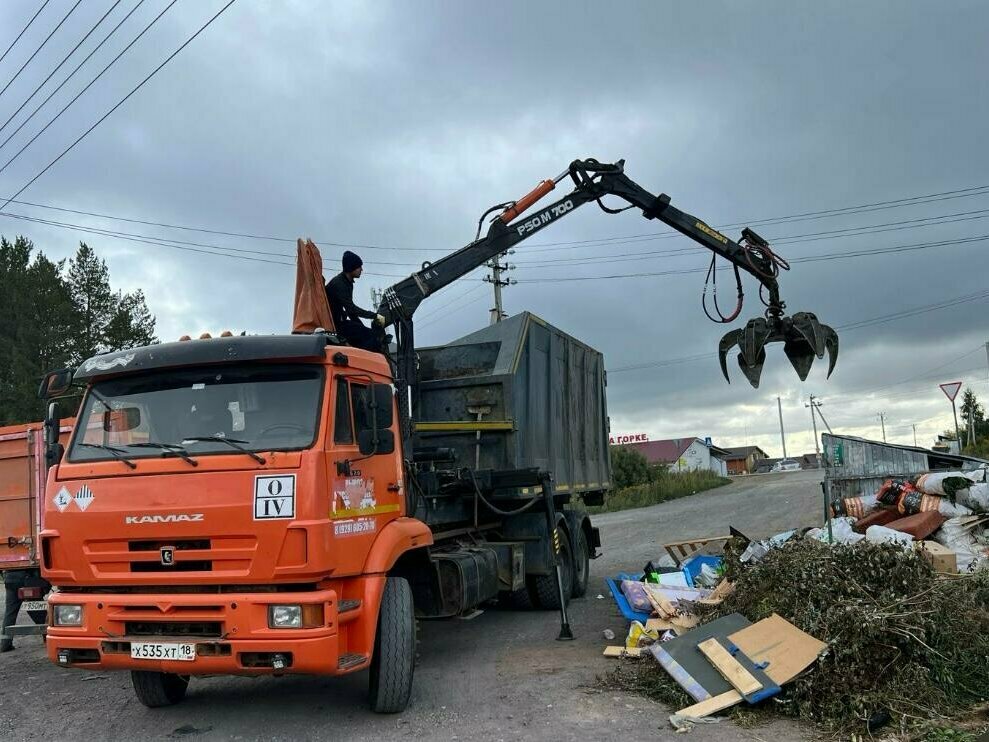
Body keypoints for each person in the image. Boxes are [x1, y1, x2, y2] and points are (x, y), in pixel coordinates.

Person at [325, 250, 385, 351]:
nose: (362, 269)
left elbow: (350, 312)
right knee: (371, 338)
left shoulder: (347, 282)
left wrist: (362, 326)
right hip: (335, 326)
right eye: (359, 267)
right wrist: (374, 316)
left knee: (368, 334)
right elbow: (351, 309)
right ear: (351, 267)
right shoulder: (340, 284)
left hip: (340, 322)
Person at [1, 569, 51, 652]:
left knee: (10, 613)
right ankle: (49, 638)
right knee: (38, 612)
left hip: (11, 581)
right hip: (30, 580)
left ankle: (5, 644)